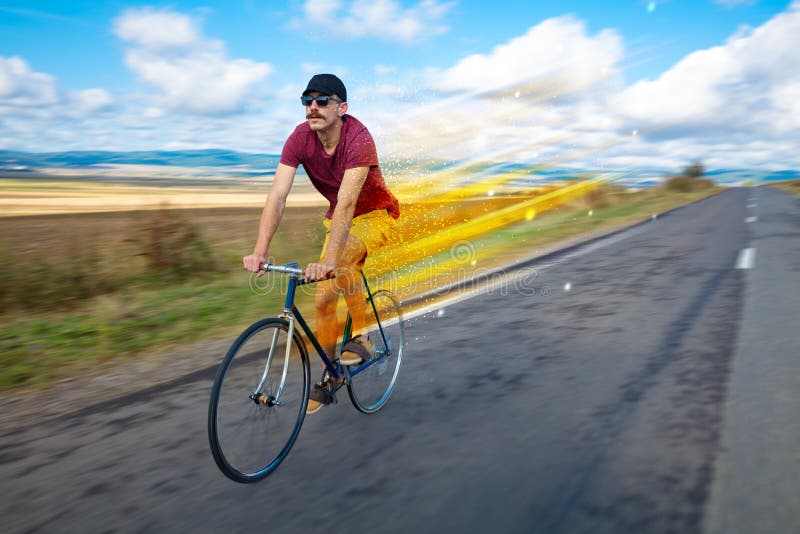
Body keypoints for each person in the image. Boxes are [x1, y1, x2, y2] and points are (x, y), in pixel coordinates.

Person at [242, 74, 400, 414]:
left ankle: (363, 334)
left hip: (373, 215)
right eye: (307, 101)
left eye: (322, 100)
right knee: (324, 299)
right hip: (339, 219)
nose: (313, 107)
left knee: (339, 264)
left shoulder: (358, 137)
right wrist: (260, 250)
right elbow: (278, 196)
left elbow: (346, 203)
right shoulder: (300, 138)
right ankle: (332, 374)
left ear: (341, 108)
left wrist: (329, 260)